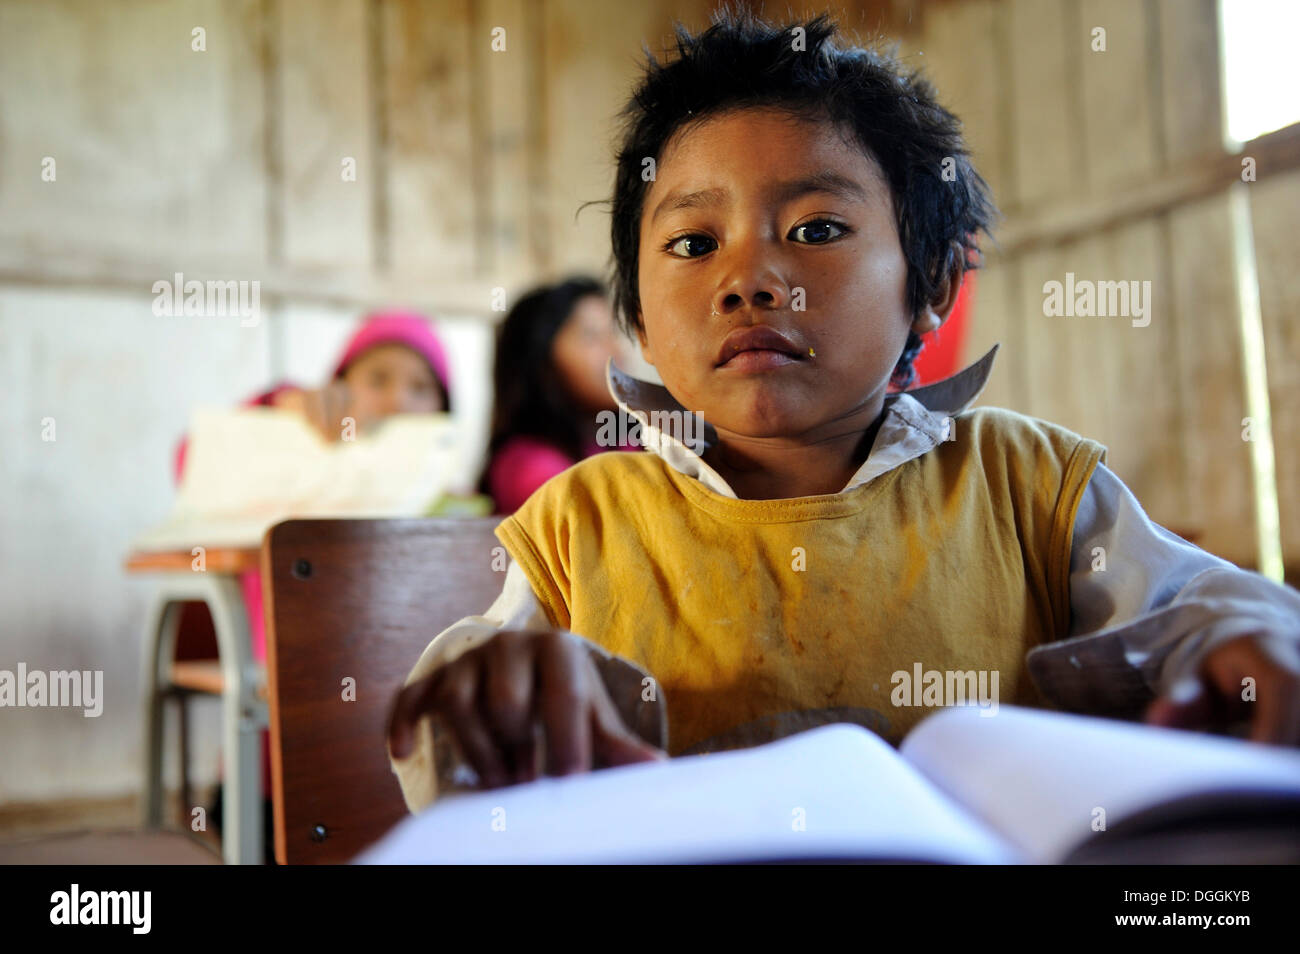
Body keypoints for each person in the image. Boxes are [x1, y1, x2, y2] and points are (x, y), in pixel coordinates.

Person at [385, 10, 1300, 811]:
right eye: (694, 242)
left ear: (932, 285)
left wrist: (1242, 644)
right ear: (643, 326)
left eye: (816, 229)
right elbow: (440, 749)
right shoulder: (582, 527)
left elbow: (1218, 613)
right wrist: (492, 693)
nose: (748, 280)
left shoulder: (1031, 489)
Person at [172, 311, 454, 858]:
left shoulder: (452, 502)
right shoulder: (297, 468)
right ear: (335, 388)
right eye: (377, 379)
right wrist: (278, 408)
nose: (399, 399)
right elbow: (192, 461)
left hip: (400, 781)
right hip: (276, 781)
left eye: (422, 388)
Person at [479, 277, 635, 514]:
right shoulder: (527, 467)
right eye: (591, 337)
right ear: (540, 361)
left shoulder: (629, 441)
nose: (615, 352)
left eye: (613, 334)